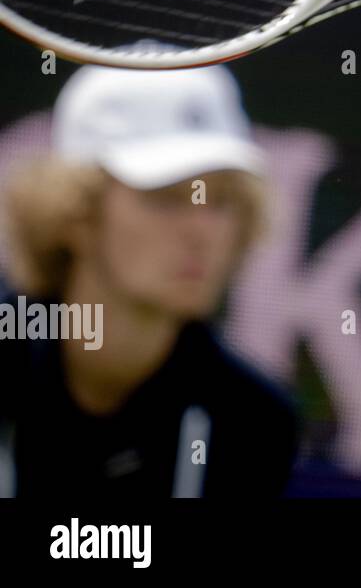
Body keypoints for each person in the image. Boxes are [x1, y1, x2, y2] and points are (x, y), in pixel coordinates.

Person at [0, 62, 298, 496]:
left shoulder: (256, 422)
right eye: (165, 196)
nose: (203, 231)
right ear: (75, 213)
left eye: (222, 200)